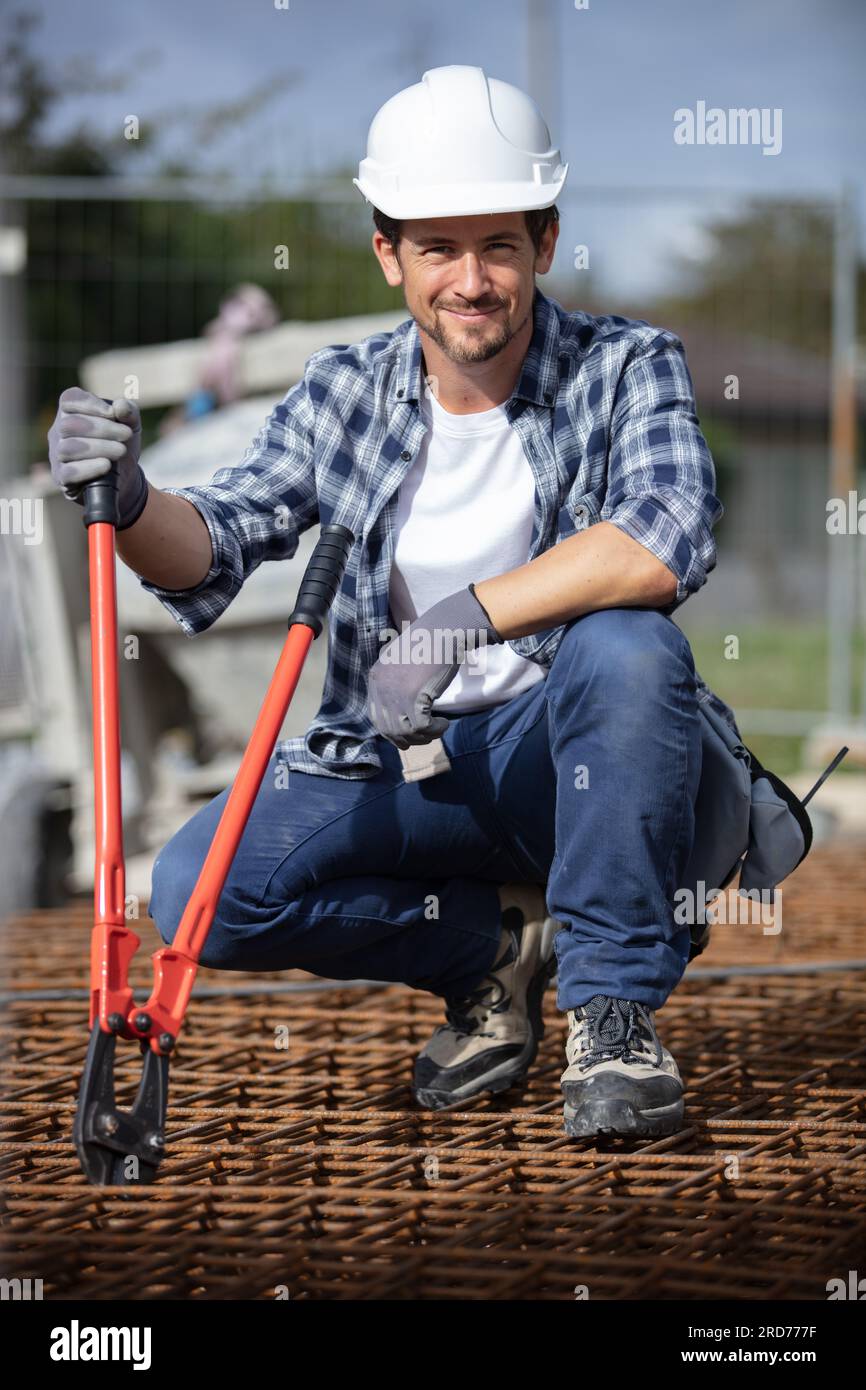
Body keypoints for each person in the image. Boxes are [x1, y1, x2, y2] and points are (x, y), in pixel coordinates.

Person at [47, 65, 722, 1139]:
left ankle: (610, 1015)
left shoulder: (625, 365)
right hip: (397, 764)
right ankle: (491, 952)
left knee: (629, 649)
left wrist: (460, 617)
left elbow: (662, 537)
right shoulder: (342, 392)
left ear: (543, 244)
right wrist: (129, 501)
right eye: (436, 248)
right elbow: (211, 544)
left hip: (562, 759)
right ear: (387, 253)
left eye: (498, 245)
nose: (471, 280)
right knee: (199, 893)